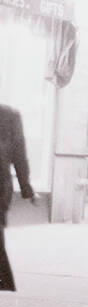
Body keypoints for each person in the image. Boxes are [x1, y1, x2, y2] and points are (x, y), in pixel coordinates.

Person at [0, 101, 38, 291]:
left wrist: (26, 186)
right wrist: (26, 187)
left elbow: (18, 152)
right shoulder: (9, 114)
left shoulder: (9, 115)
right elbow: (19, 153)